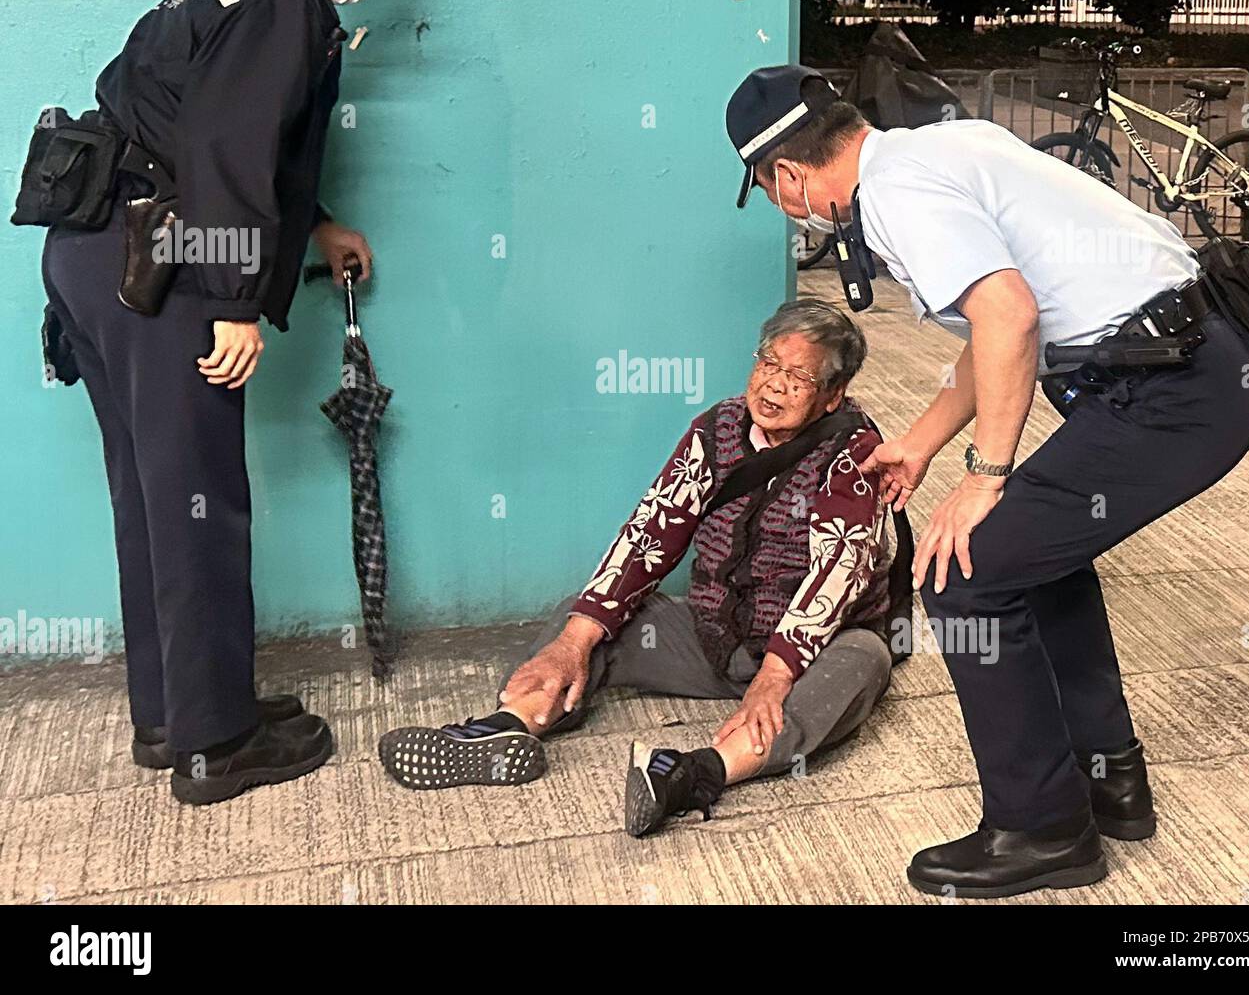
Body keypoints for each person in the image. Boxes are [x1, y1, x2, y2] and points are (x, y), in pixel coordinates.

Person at [727, 64, 1249, 897]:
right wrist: (918, 445)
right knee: (1036, 560)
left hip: (1173, 389)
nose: (783, 207)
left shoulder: (899, 194)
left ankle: (1042, 828)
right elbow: (995, 331)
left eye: (770, 191)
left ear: (788, 175)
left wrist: (984, 478)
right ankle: (1108, 783)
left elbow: (1010, 317)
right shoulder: (935, 150)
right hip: (1187, 368)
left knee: (967, 569)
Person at [39, 0, 421, 805]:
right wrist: (234, 303)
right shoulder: (286, 2)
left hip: (93, 251)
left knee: (152, 497)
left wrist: (318, 223)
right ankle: (215, 747)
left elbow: (190, 123)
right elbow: (227, 149)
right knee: (203, 498)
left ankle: (175, 711)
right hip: (159, 268)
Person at [379, 300, 907, 838]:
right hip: (714, 640)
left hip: (806, 656)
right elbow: (653, 530)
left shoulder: (855, 453)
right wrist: (576, 640)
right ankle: (512, 726)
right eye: (768, 363)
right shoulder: (718, 427)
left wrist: (776, 674)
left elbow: (838, 570)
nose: (774, 385)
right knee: (580, 621)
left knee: (864, 659)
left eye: (798, 376)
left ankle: (695, 773)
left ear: (832, 394)